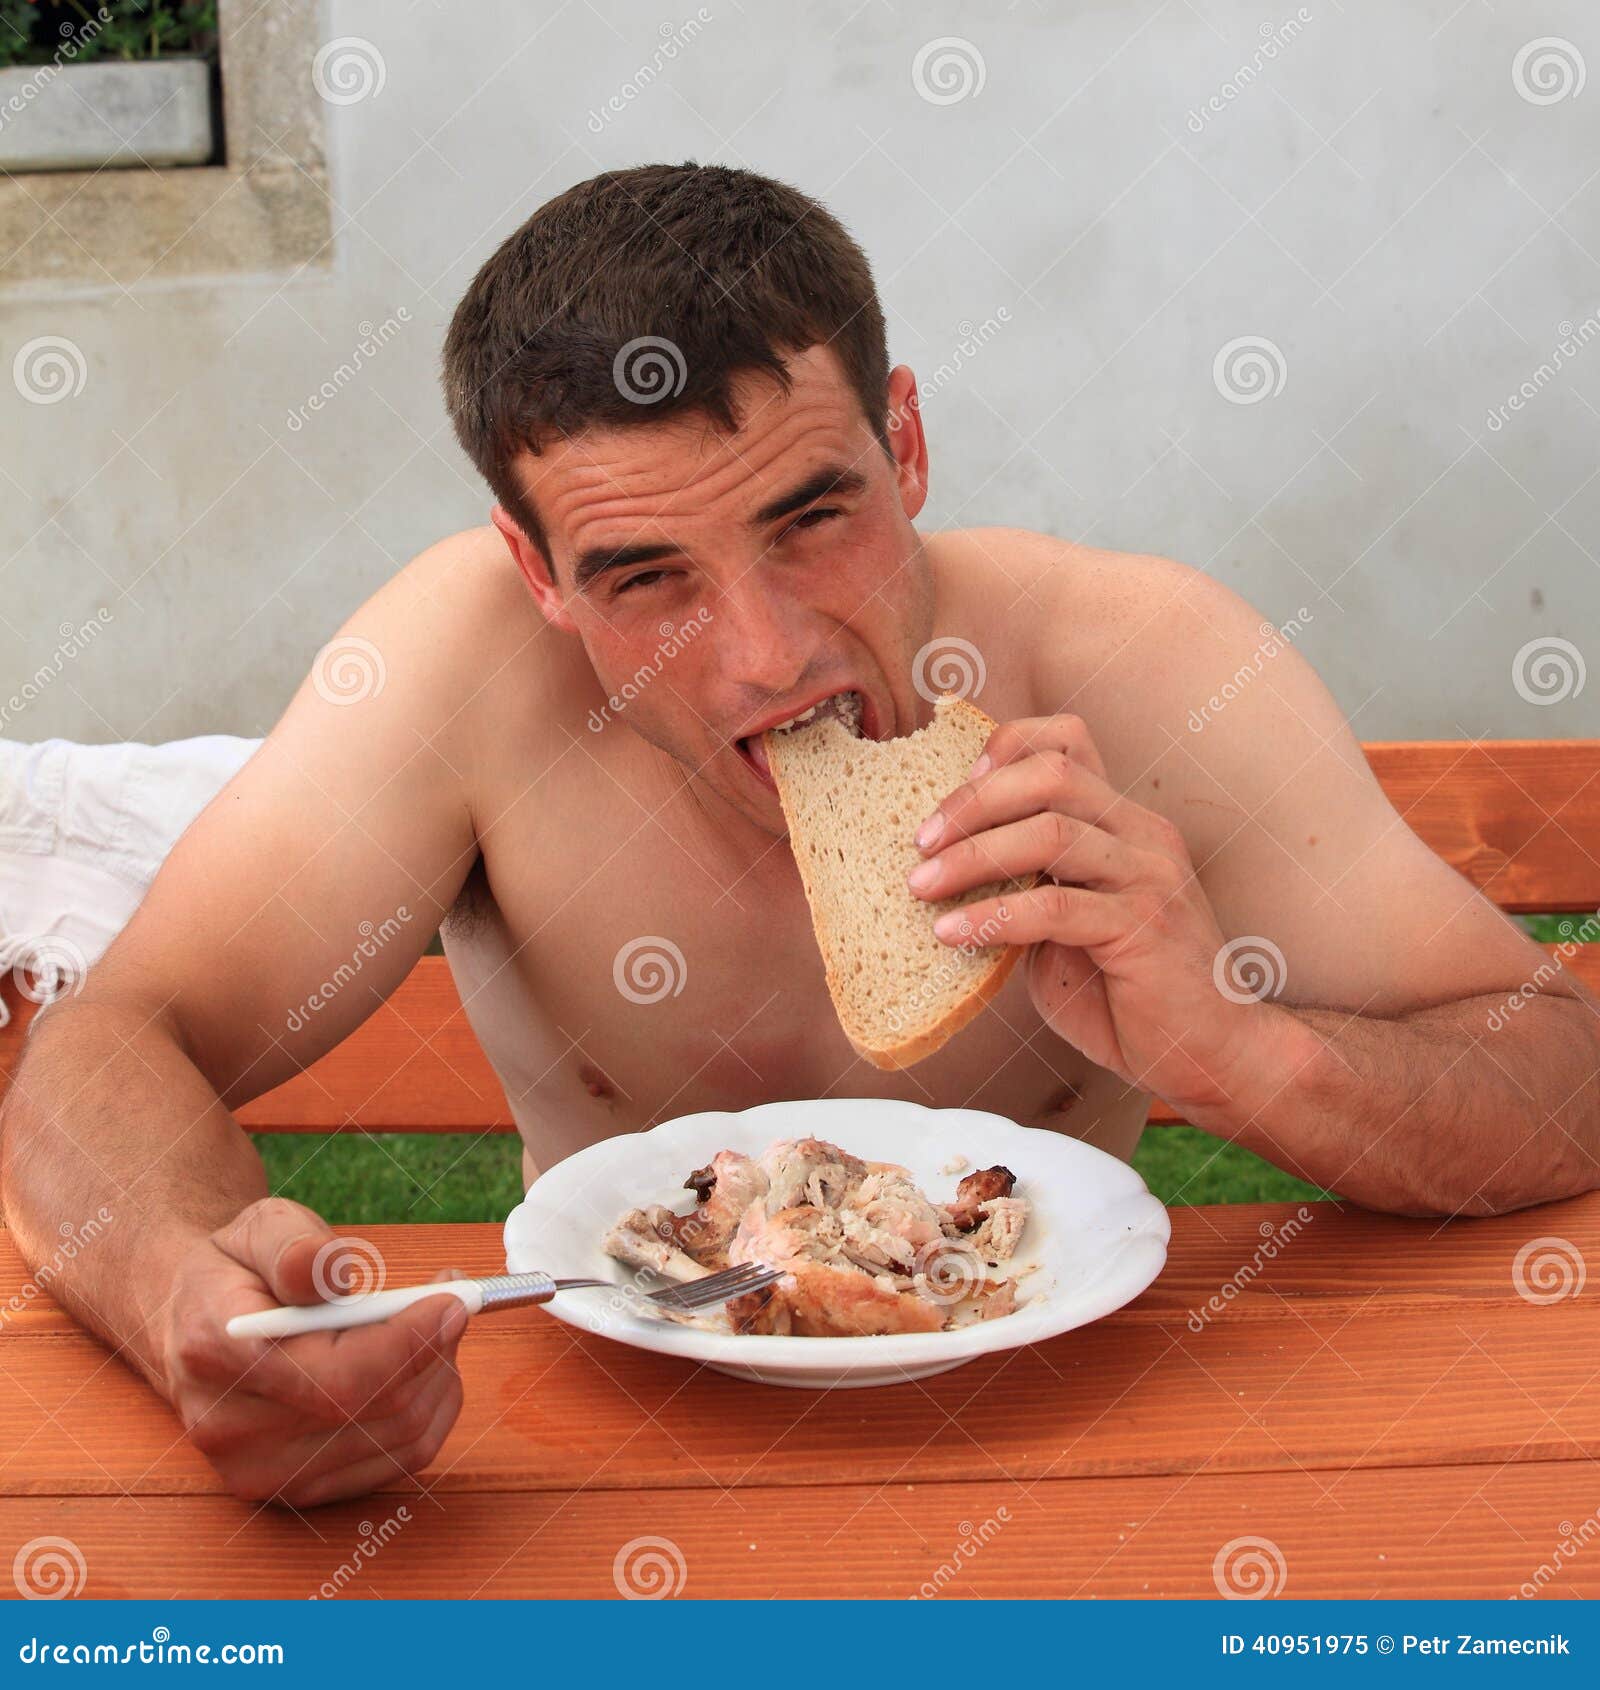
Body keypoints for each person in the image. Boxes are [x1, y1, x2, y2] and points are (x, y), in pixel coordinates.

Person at [4, 163, 1596, 1507]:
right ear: (537, 570)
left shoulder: (1145, 666)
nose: (765, 656)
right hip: (598, 1483)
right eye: (647, 578)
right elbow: (114, 1041)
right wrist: (176, 1294)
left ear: (907, 444)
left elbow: (1565, 1067)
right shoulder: (458, 675)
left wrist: (1244, 1053)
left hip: (1061, 1462)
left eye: (811, 517)